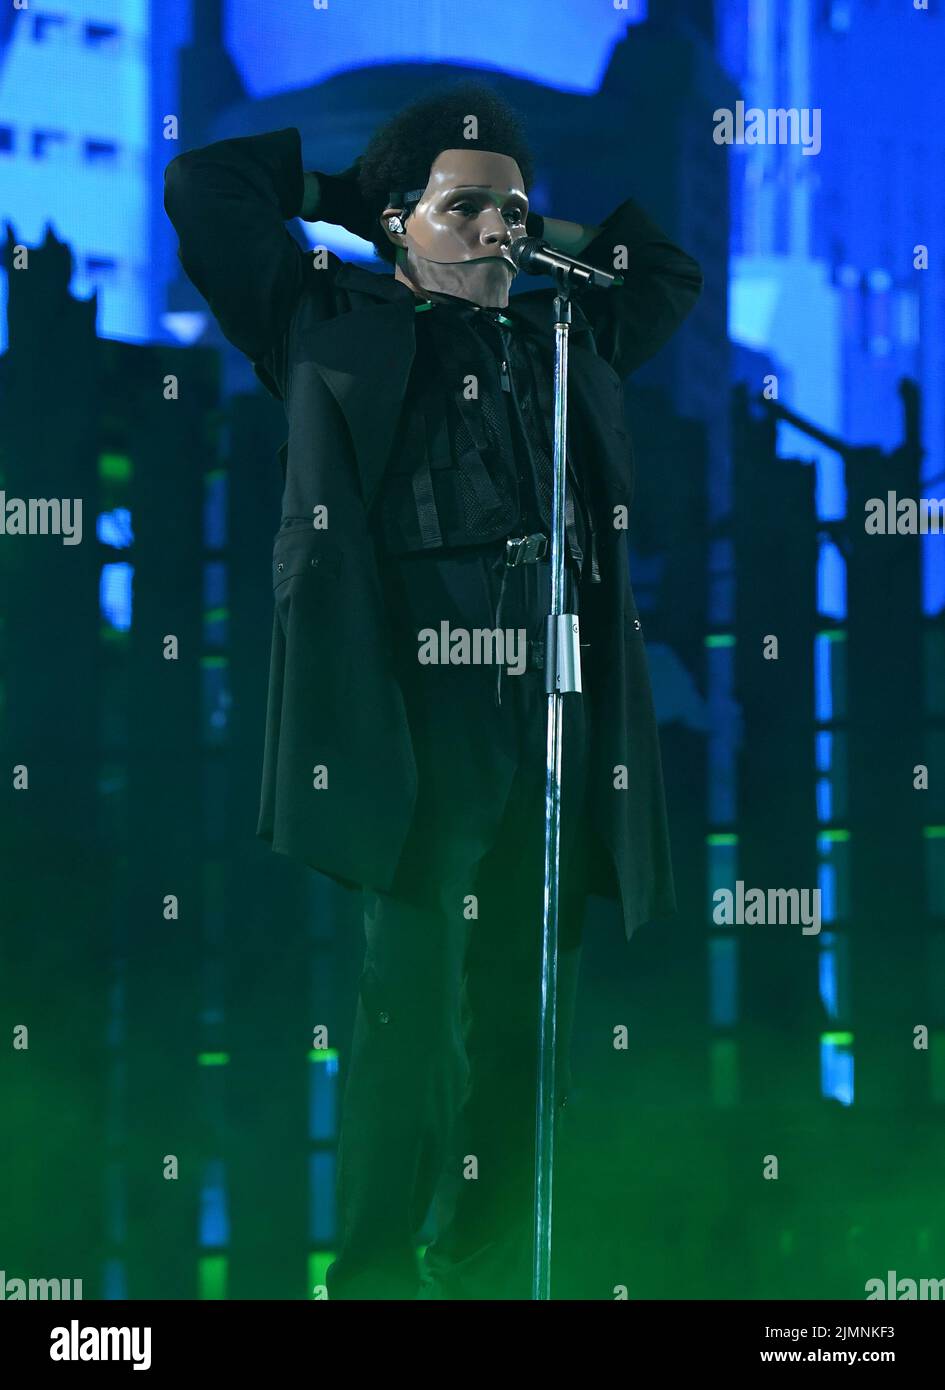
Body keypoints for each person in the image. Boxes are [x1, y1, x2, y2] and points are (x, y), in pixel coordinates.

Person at [164, 79, 703, 1299]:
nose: (497, 234)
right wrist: (348, 196)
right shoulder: (325, 317)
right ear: (396, 222)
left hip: (545, 706)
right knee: (408, 1002)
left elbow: (661, 268)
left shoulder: (563, 334)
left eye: (514, 213)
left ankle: (484, 1260)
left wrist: (523, 220)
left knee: (524, 1004)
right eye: (465, 212)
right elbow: (205, 185)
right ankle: (368, 1277)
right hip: (414, 709)